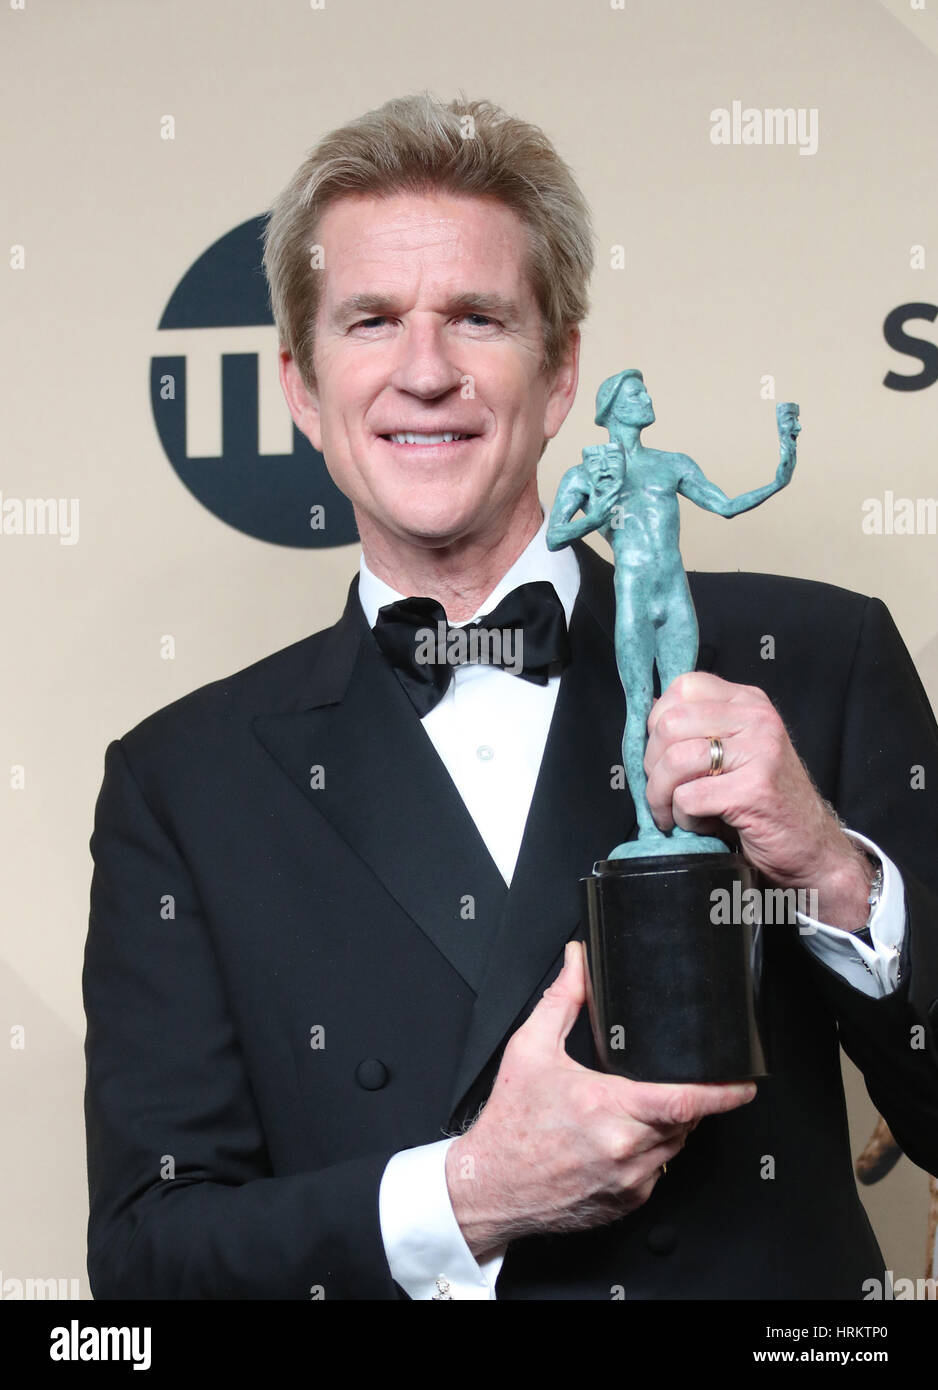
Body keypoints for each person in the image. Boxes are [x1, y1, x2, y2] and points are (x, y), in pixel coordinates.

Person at [83, 92, 938, 1300]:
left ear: (559, 373)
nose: (423, 371)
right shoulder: (181, 782)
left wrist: (834, 880)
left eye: (476, 317)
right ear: (300, 388)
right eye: (371, 320)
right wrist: (471, 1195)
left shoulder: (806, 656)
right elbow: (146, 1263)